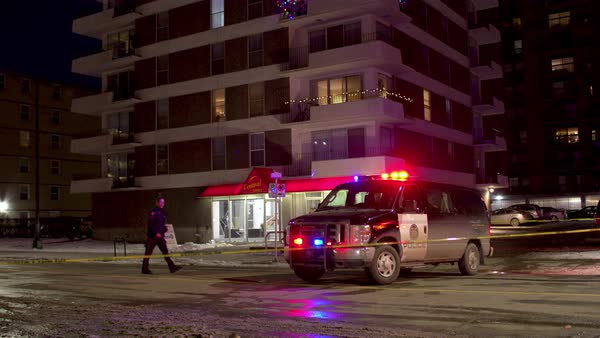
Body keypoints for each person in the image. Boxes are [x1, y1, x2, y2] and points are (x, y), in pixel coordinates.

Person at [141, 197, 181, 274]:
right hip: (153, 236)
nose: (162, 204)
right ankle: (144, 269)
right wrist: (156, 233)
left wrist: (164, 229)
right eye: (161, 202)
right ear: (157, 203)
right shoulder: (153, 212)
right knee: (148, 253)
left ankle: (172, 267)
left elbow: (161, 224)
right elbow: (151, 224)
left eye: (163, 202)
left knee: (165, 252)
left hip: (160, 237)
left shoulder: (163, 212)